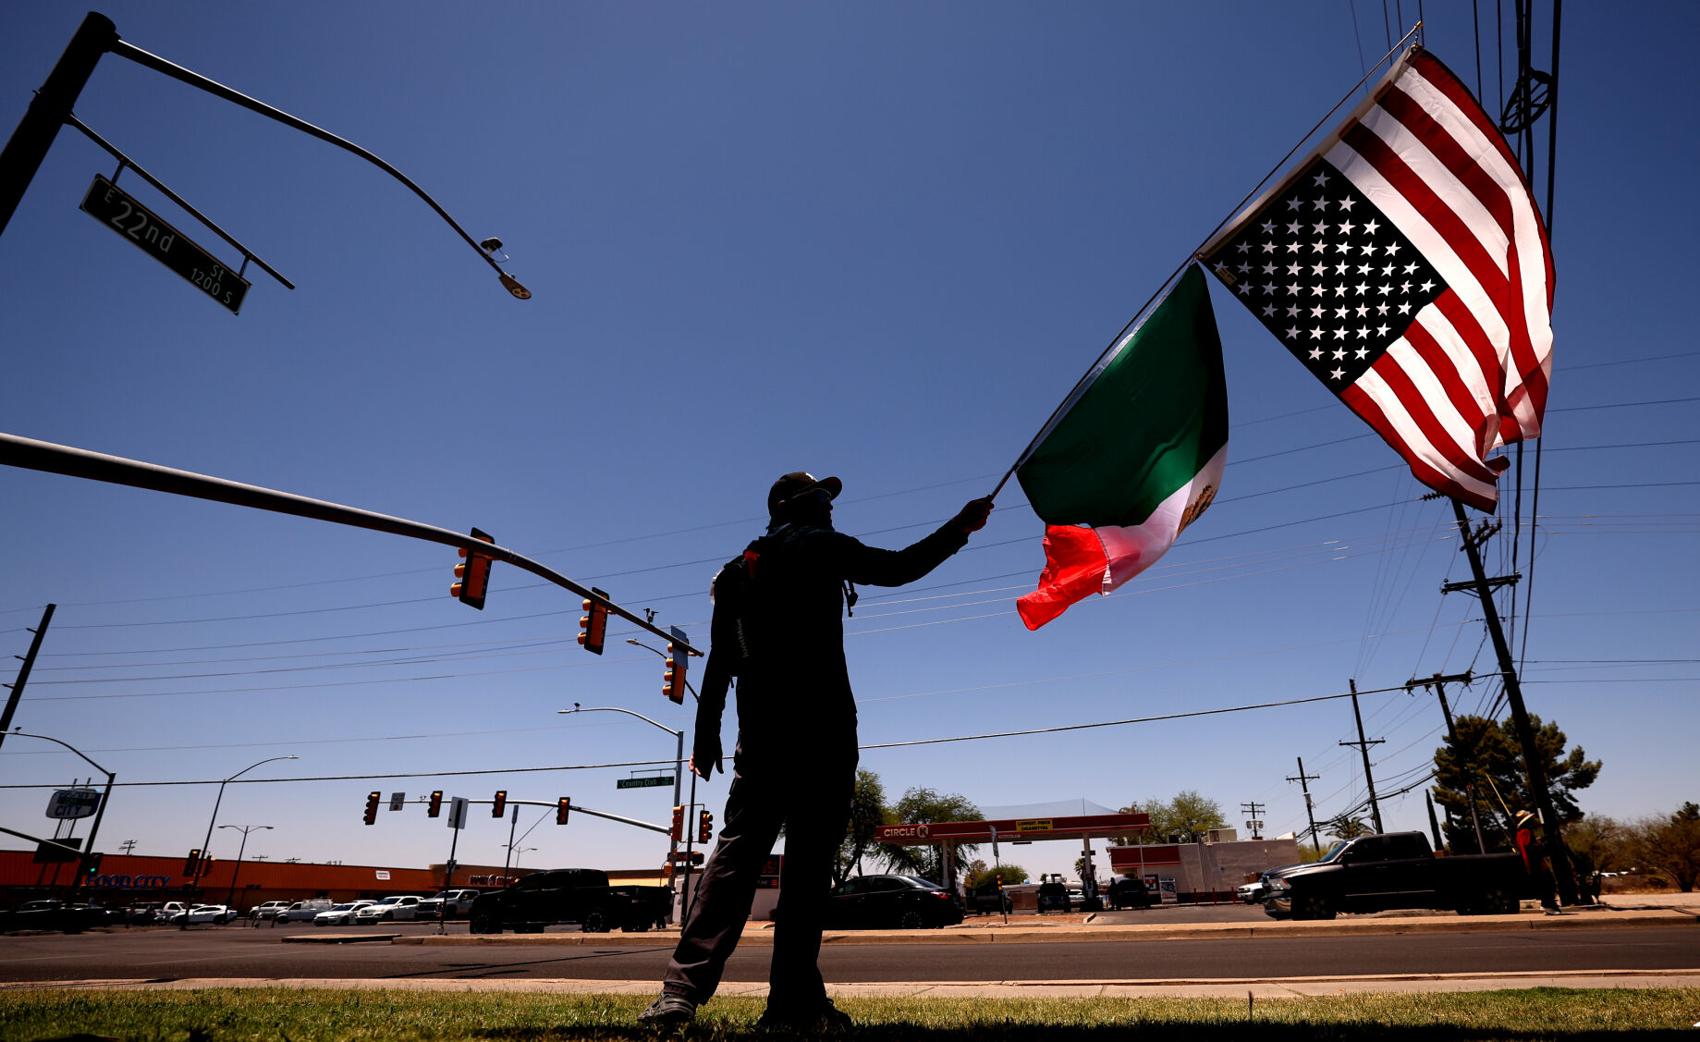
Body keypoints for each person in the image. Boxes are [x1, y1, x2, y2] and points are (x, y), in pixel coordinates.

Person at [639, 472, 992, 1032]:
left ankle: (689, 993)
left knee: (736, 861)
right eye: (820, 498)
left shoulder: (736, 570)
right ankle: (789, 1004)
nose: (829, 507)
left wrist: (707, 733)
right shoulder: (820, 547)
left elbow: (720, 663)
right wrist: (961, 527)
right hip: (824, 733)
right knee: (803, 873)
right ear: (794, 506)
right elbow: (899, 568)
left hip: (762, 735)